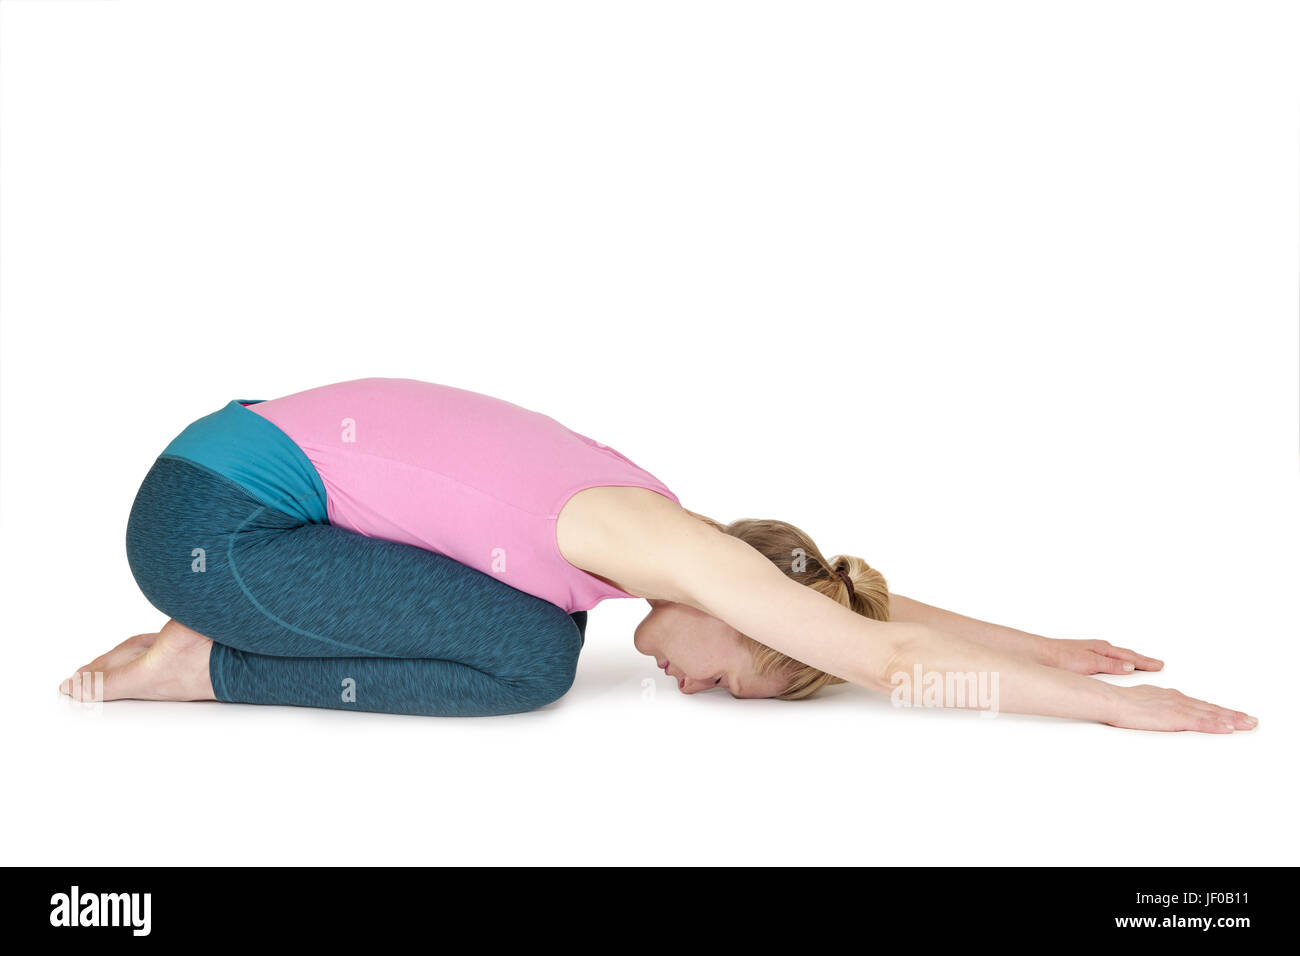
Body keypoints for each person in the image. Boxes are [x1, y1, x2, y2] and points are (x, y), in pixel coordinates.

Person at [60, 377, 1256, 733]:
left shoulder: (660, 527)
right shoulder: (644, 535)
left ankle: (215, 641)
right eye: (735, 673)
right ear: (745, 609)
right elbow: (882, 656)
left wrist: (1039, 641)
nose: (692, 683)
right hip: (209, 531)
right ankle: (198, 665)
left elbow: (862, 605)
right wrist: (1116, 716)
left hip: (228, 483)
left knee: (535, 637)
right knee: (530, 666)